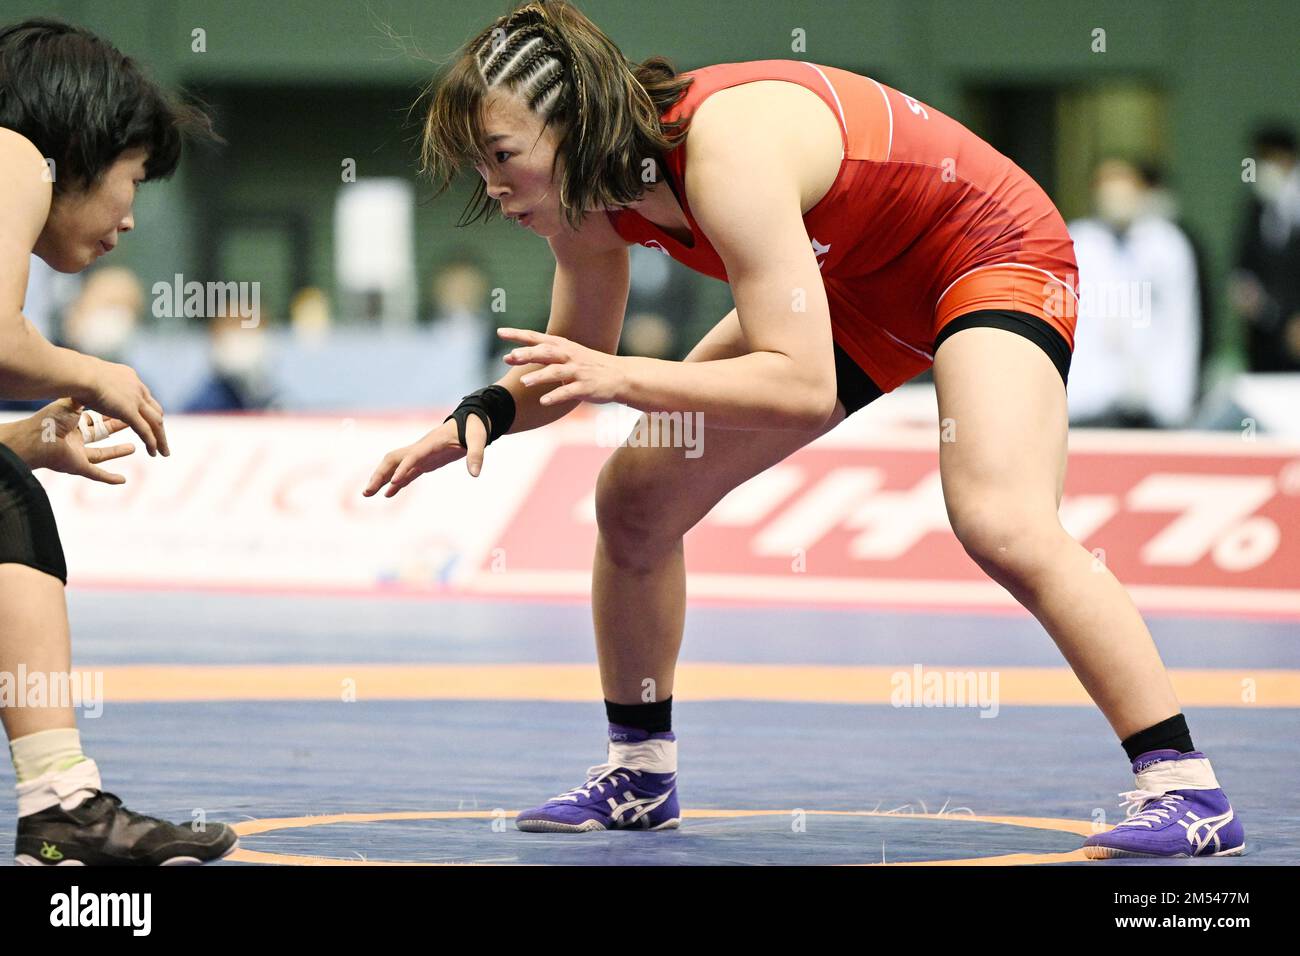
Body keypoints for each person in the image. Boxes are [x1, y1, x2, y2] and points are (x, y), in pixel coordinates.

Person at [365, 0, 1243, 858]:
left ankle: (1187, 789)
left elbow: (795, 381)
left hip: (983, 247)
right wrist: (480, 413)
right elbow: (574, 361)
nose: (491, 185)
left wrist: (627, 380)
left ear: (575, 123)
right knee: (634, 499)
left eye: (503, 155)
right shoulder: (587, 200)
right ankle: (638, 774)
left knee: (1000, 518)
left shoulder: (722, 150)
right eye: (479, 162)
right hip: (849, 280)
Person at [0, 17, 237, 864]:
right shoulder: (15, 157)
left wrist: (21, 439)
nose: (132, 218)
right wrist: (93, 370)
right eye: (134, 178)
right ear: (84, 147)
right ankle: (63, 805)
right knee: (5, 500)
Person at [1067, 157, 1201, 427]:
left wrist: (1175, 398)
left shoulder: (1168, 245)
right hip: (1089, 395)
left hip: (1153, 396)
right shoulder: (1077, 242)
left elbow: (1181, 324)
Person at [1231, 125, 1300, 372]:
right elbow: (1242, 262)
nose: (1263, 167)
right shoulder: (1254, 207)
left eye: (1269, 159)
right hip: (1263, 336)